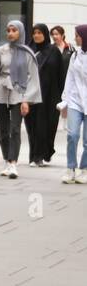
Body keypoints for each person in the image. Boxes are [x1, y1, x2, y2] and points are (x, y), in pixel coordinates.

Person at [0, 19, 42, 179]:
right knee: (3, 130)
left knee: (15, 128)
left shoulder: (28, 53)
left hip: (19, 92)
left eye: (14, 30)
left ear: (20, 32)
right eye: (8, 30)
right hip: (0, 91)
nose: (10, 33)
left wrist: (27, 100)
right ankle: (6, 160)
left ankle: (13, 163)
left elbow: (32, 77)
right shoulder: (1, 50)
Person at [30, 23, 63, 166]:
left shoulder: (53, 51)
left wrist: (63, 97)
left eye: (39, 32)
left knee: (50, 126)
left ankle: (47, 151)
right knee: (36, 126)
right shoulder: (30, 50)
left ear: (45, 34)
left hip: (51, 95)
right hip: (33, 95)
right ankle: (36, 156)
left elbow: (61, 74)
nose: (36, 35)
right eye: (34, 32)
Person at [59, 24, 87, 184]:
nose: (75, 38)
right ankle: (70, 168)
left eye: (77, 35)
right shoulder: (75, 55)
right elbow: (69, 78)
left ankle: (84, 169)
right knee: (72, 135)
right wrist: (65, 101)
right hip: (76, 101)